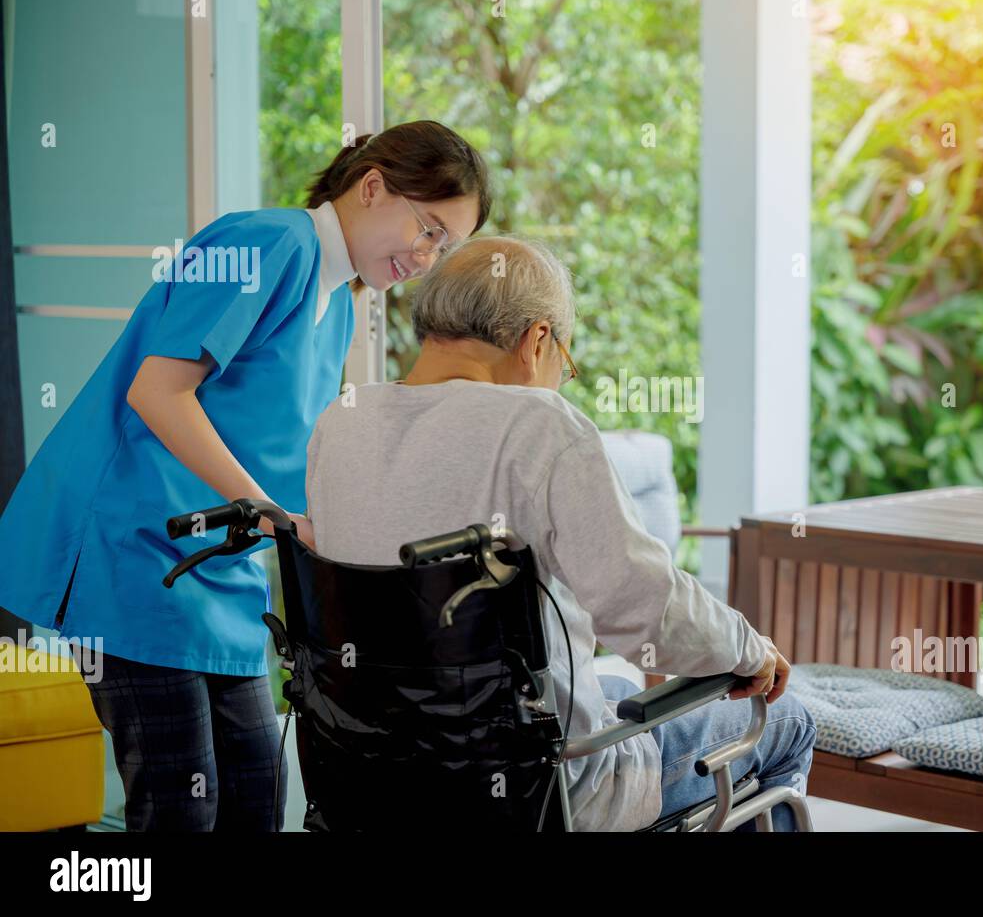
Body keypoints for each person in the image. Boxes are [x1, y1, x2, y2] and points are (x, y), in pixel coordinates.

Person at [0, 120, 491, 831]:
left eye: (444, 246)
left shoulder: (337, 310)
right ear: (374, 185)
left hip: (222, 577)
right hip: (134, 555)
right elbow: (157, 391)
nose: (425, 255)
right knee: (182, 807)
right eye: (427, 227)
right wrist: (269, 509)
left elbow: (288, 455)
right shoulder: (269, 243)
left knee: (256, 801)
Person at [304, 235, 816, 831]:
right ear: (537, 339)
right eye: (561, 365)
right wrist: (748, 646)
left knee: (615, 681)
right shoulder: (538, 426)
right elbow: (642, 609)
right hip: (546, 789)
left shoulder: (341, 424)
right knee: (786, 723)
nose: (557, 381)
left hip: (372, 779)